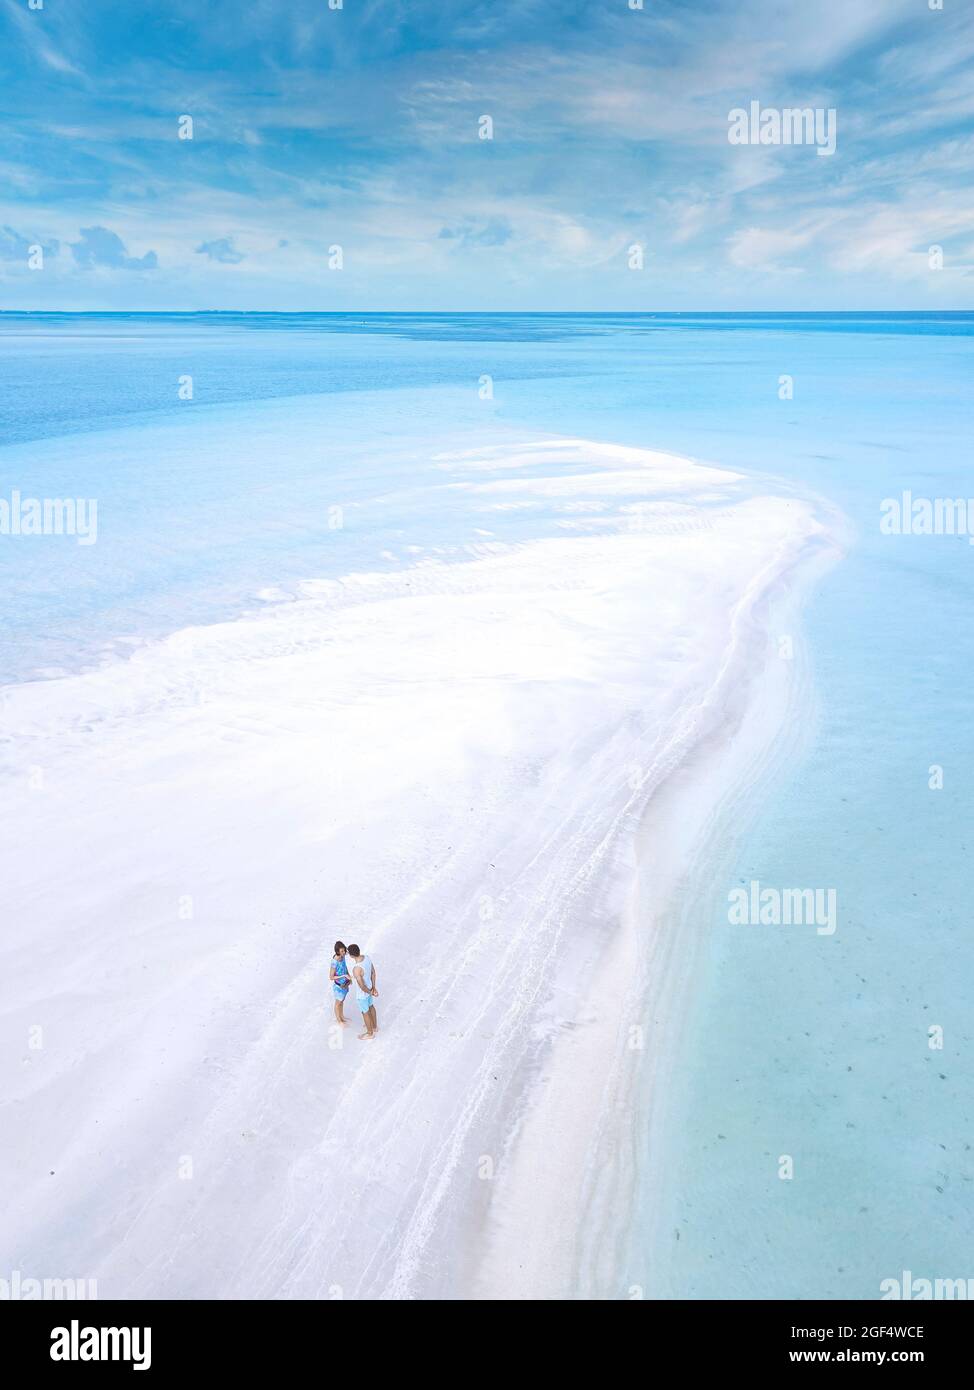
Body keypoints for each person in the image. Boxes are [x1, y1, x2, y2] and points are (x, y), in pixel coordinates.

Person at [347, 944, 378, 1041]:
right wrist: (373, 987)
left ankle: (370, 1033)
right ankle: (374, 1027)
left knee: (365, 1012)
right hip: (370, 988)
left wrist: (370, 992)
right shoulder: (367, 958)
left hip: (363, 994)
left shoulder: (356, 969)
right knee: (371, 1006)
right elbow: (373, 972)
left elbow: (362, 986)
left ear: (351, 956)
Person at [329, 940, 351, 1025]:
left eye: (344, 950)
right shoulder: (334, 962)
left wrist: (348, 976)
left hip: (345, 984)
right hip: (338, 986)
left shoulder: (343, 956)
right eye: (341, 951)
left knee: (342, 1001)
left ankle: (342, 1016)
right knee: (338, 1002)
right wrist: (344, 976)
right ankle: (339, 1020)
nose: (344, 952)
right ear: (337, 952)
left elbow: (345, 967)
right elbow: (331, 977)